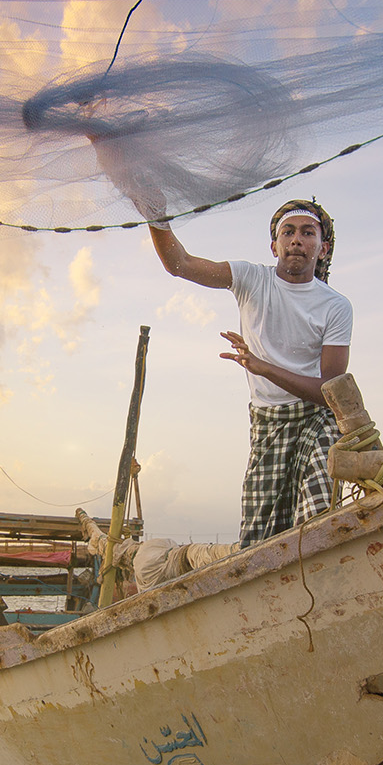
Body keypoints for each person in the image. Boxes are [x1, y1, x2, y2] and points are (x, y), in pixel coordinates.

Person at [149, 198, 353, 545]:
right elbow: (180, 264)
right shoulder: (251, 278)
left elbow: (329, 392)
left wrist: (265, 368)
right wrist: (154, 213)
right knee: (258, 538)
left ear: (323, 249)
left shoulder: (336, 306)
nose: (296, 240)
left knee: (318, 515)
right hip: (267, 422)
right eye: (288, 232)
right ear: (274, 246)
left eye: (308, 233)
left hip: (316, 420)